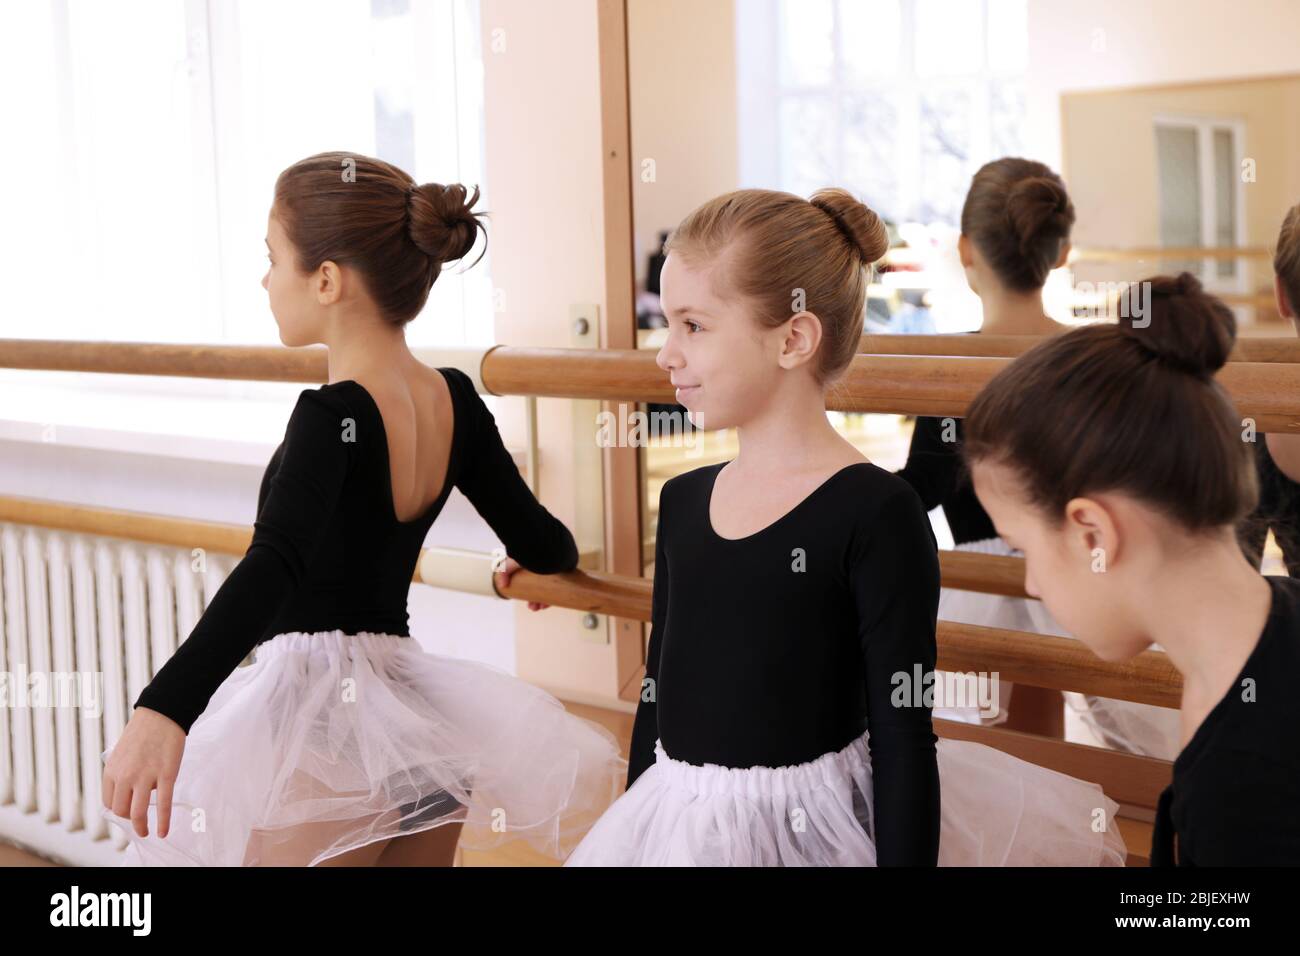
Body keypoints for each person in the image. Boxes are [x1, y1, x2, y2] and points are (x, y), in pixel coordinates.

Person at [566, 187, 1127, 866]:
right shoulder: (686, 503)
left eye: (694, 326)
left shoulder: (875, 513)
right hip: (681, 832)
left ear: (794, 338)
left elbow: (903, 735)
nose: (665, 355)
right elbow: (657, 700)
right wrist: (635, 831)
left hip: (817, 836)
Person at [100, 151, 625, 866]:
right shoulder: (455, 400)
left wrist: (163, 708)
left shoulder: (329, 415)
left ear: (325, 280)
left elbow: (274, 565)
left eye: (271, 257)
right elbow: (546, 541)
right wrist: (530, 562)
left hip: (321, 729)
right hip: (418, 727)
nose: (263, 279)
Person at [964, 272, 1300, 865]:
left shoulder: (1245, 775)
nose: (1031, 584)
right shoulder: (1255, 646)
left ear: (1094, 531)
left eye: (1024, 549)